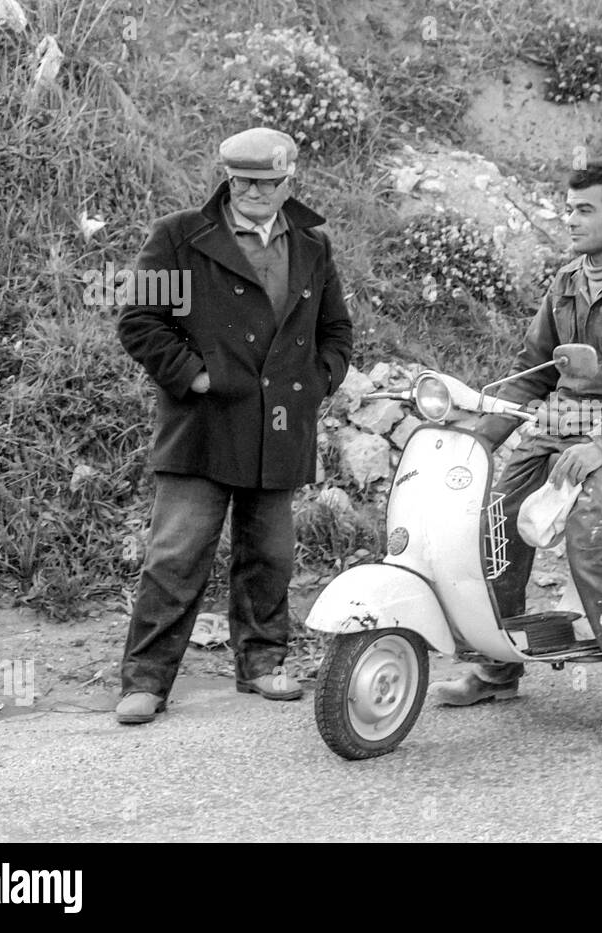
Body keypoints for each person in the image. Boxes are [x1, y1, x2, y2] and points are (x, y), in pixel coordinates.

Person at [427, 161, 602, 738]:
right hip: (559, 420)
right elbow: (534, 370)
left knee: (588, 537)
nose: (569, 220)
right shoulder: (566, 282)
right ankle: (496, 665)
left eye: (584, 210)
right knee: (493, 523)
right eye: (568, 208)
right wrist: (479, 438)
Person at [114, 127, 353, 723]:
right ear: (226, 176)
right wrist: (194, 378)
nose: (253, 190)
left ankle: (263, 664)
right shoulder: (179, 236)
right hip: (203, 427)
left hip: (279, 427)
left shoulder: (313, 245)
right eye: (242, 178)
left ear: (288, 182)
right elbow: (139, 319)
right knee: (176, 555)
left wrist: (319, 381)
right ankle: (145, 681)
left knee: (270, 555)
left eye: (267, 182)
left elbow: (336, 331)